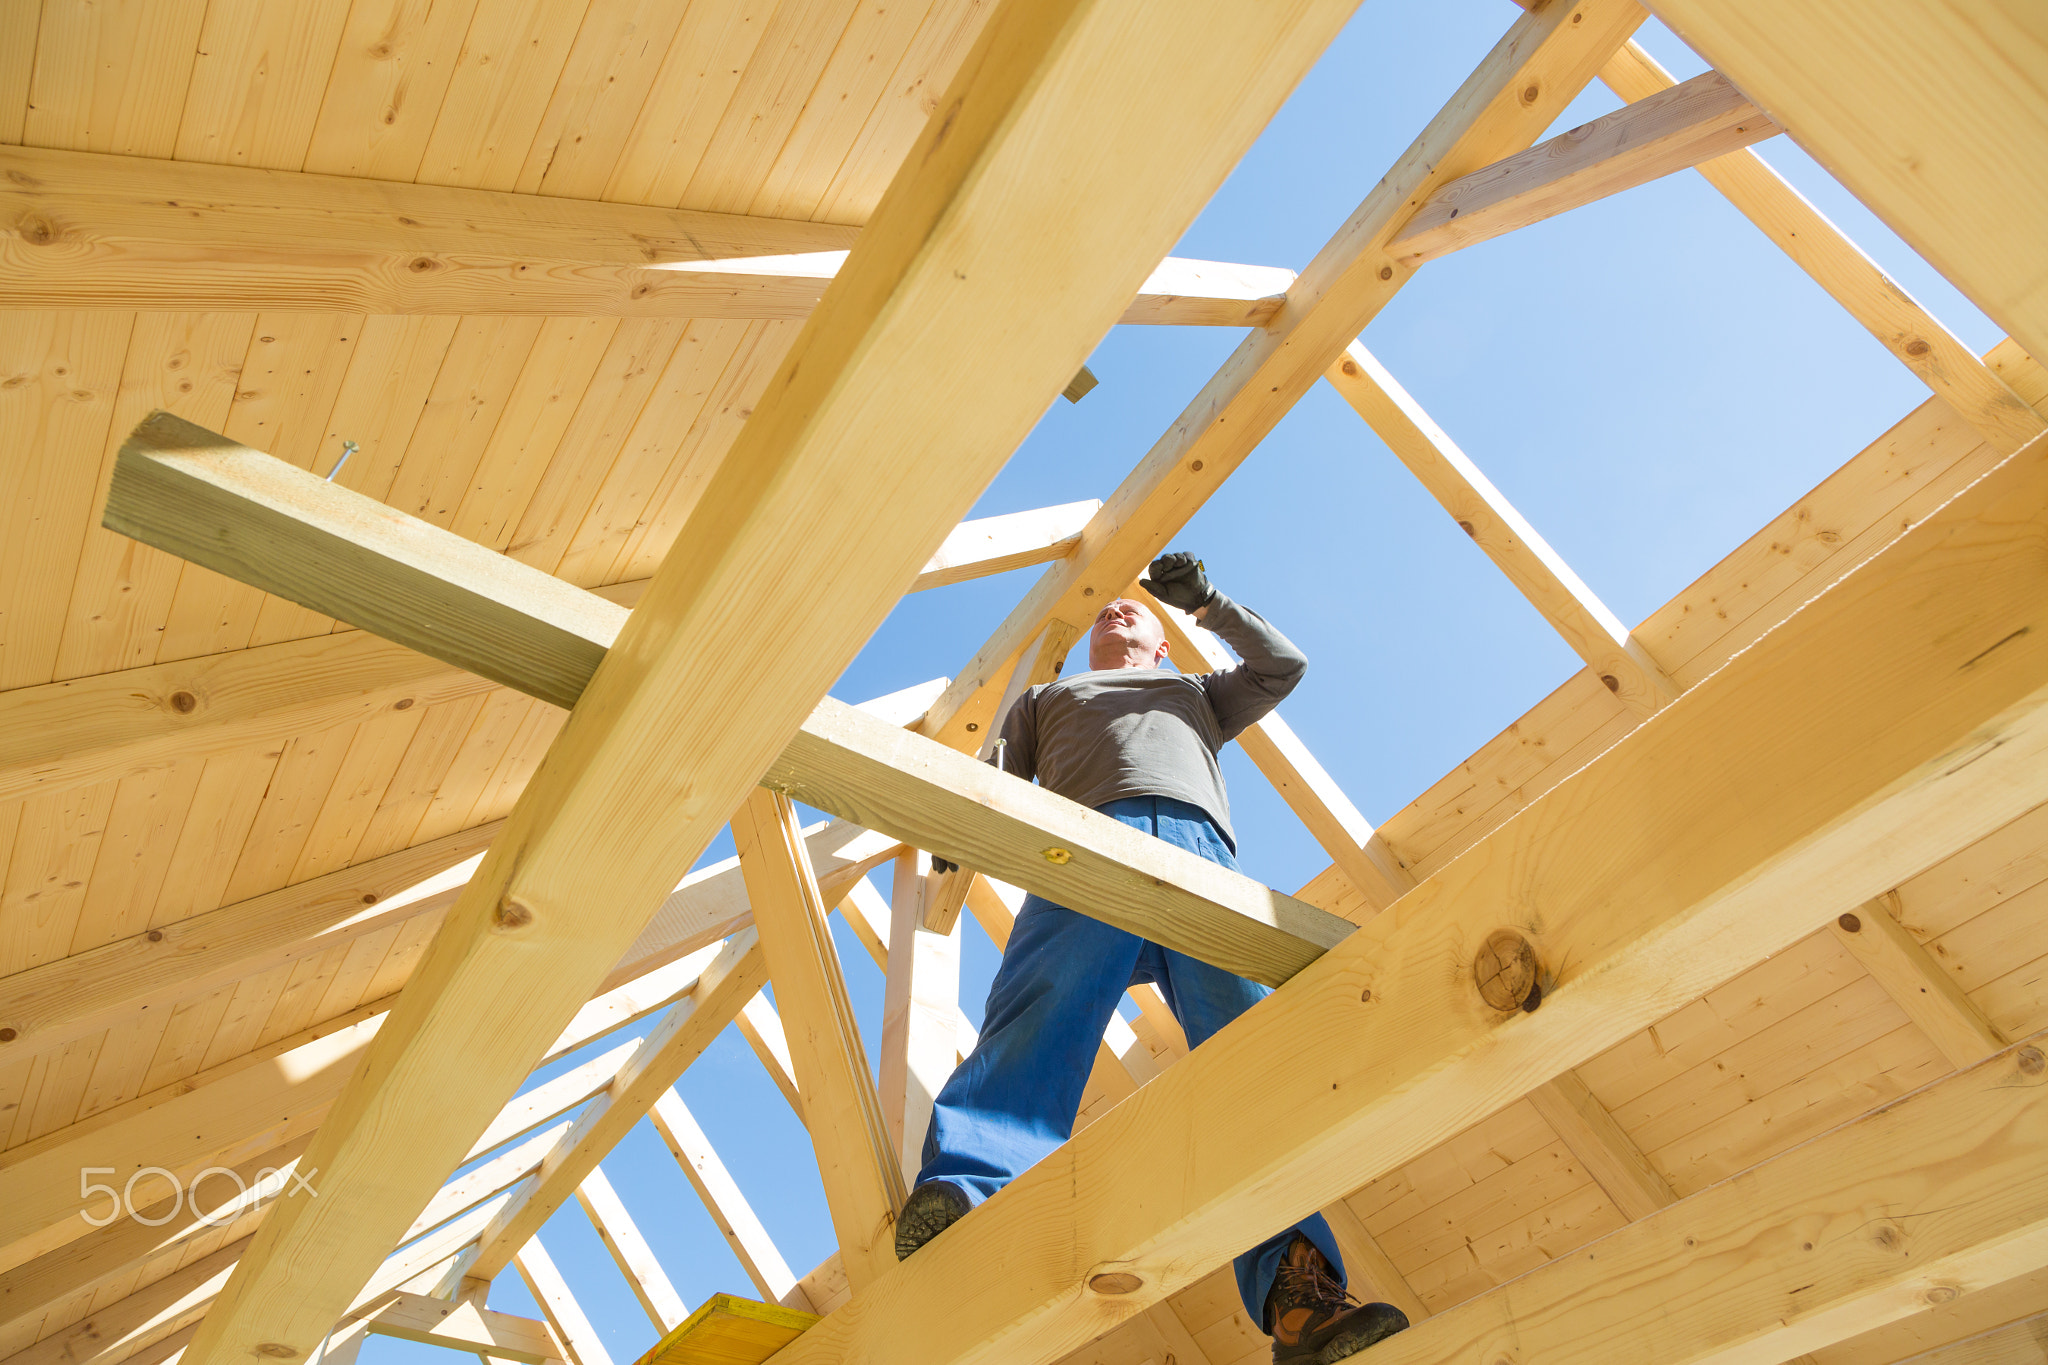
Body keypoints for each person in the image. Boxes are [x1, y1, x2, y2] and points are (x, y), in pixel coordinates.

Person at [896, 552, 1409, 1364]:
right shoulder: (1047, 697)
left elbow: (1284, 665)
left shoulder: (1197, 694)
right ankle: (967, 1193)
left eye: (1135, 612)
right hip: (1083, 847)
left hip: (1200, 857)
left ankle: (1298, 1298)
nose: (1115, 612)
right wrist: (955, 831)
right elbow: (993, 776)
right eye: (1103, 613)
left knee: (1249, 1060)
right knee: (1038, 1013)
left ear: (1166, 646)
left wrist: (1209, 604)